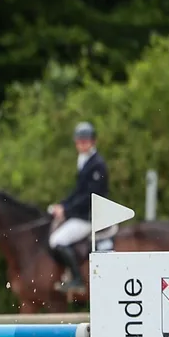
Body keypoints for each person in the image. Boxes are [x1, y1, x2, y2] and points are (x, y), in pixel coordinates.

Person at [46, 121, 109, 293]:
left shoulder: (97, 164)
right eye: (79, 141)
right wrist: (62, 205)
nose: (82, 144)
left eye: (85, 141)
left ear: (93, 141)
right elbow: (78, 192)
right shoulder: (84, 161)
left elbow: (90, 196)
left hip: (89, 216)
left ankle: (77, 279)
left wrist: (67, 211)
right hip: (81, 212)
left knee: (57, 241)